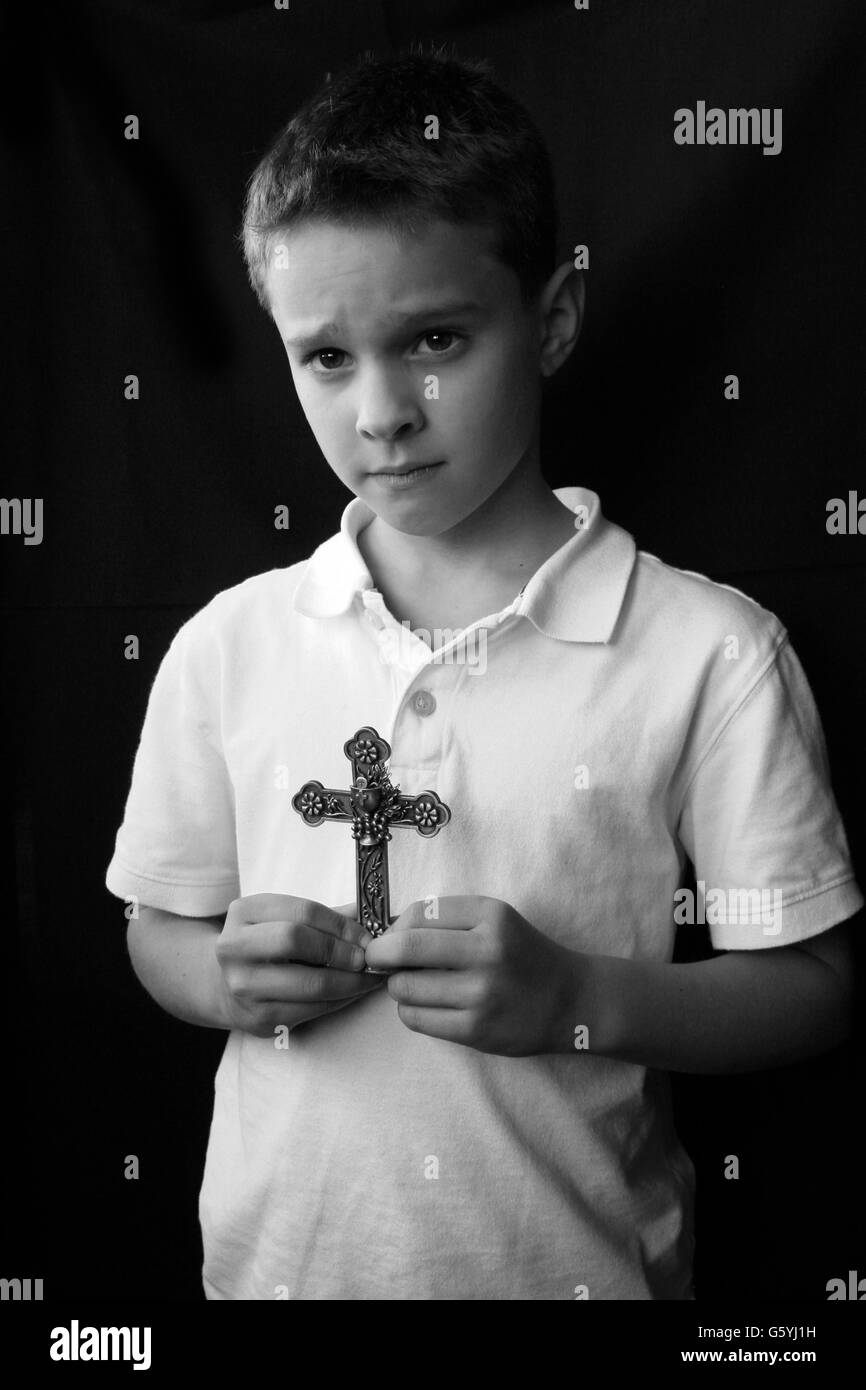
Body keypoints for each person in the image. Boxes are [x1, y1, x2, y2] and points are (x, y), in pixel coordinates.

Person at [106, 46, 861, 1300]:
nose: (382, 412)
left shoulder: (704, 650)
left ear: (552, 319)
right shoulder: (228, 647)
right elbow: (157, 928)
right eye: (325, 358)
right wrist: (215, 977)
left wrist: (575, 996)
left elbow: (811, 990)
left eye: (435, 338)